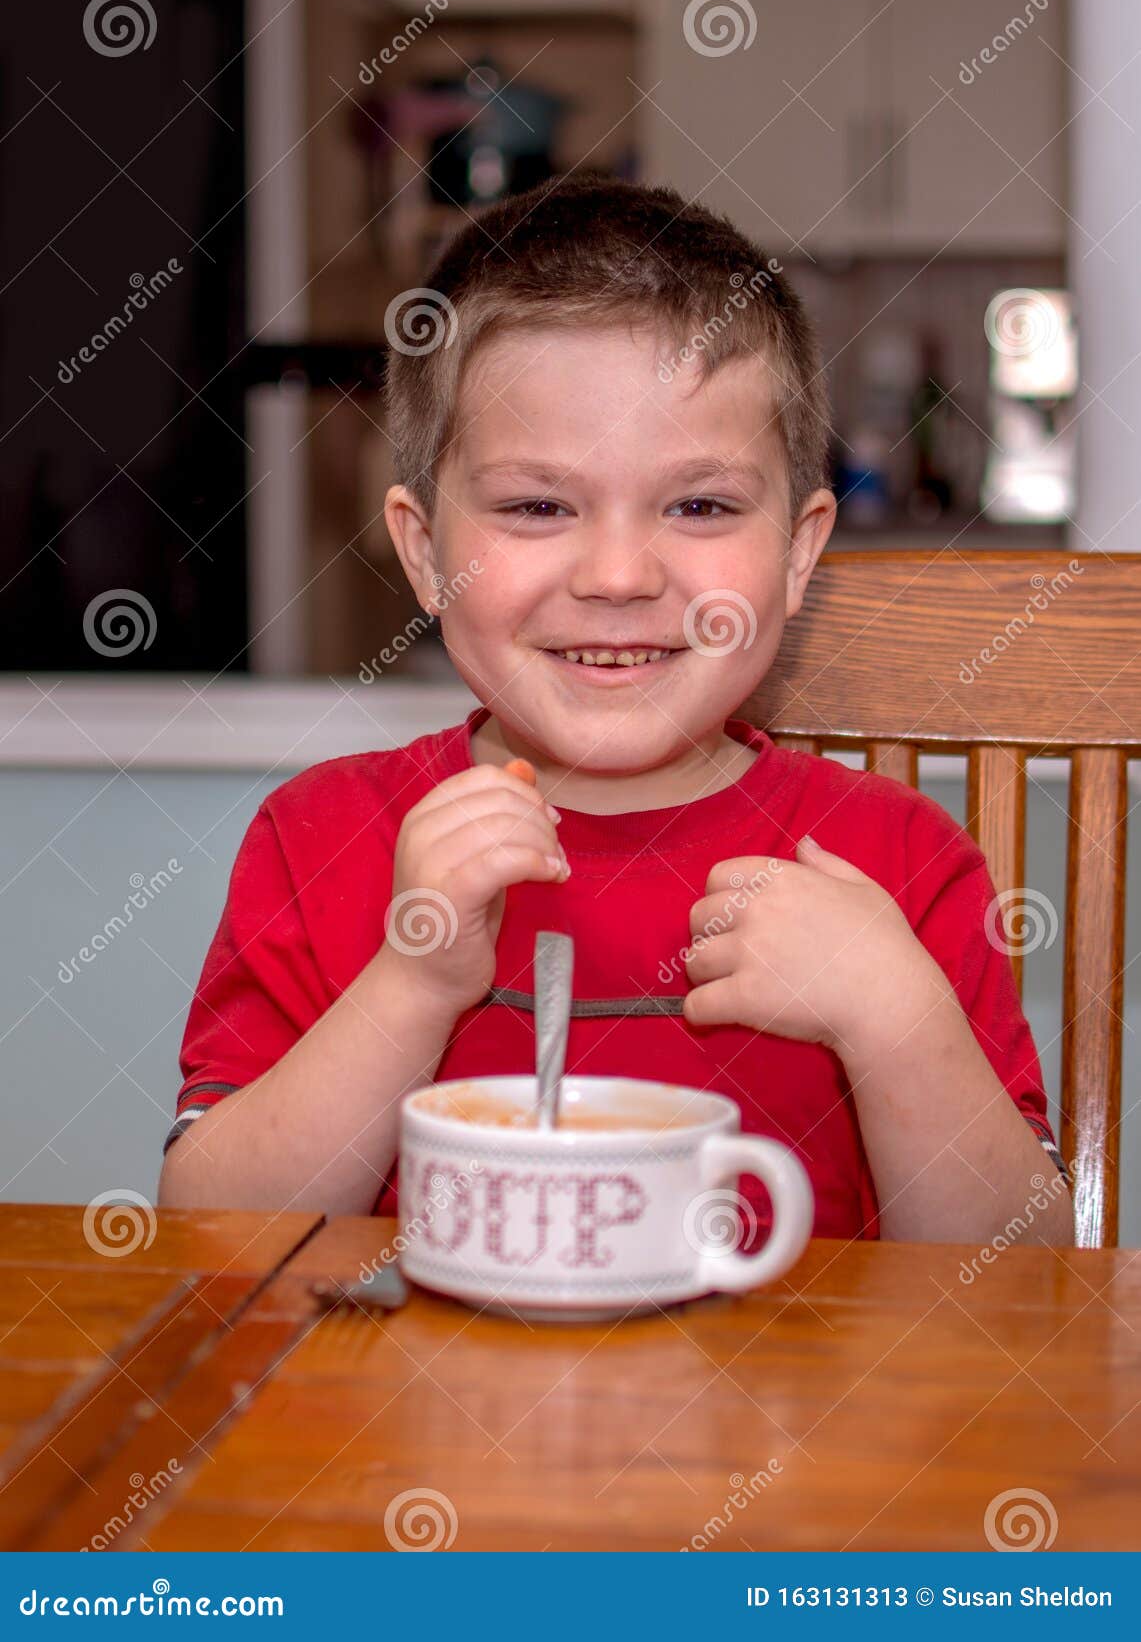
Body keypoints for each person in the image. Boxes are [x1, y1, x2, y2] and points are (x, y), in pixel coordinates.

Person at [159, 172, 1072, 1247]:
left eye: (699, 505)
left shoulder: (897, 861)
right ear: (421, 550)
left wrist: (897, 1018)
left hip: (801, 1419)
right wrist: (409, 985)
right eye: (537, 505)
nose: (620, 572)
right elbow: (211, 1241)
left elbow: (1023, 1284)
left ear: (797, 551)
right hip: (408, 1417)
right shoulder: (321, 839)